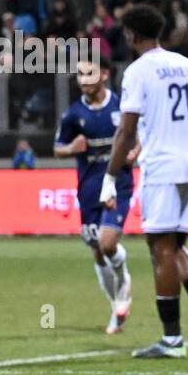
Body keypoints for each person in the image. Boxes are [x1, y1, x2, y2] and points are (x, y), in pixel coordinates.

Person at [100, 5, 188, 358]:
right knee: (177, 244)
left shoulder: (138, 72)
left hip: (164, 168)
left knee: (160, 248)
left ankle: (172, 340)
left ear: (133, 35)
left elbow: (126, 130)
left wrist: (110, 177)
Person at [53, 60, 137, 334]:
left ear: (104, 74)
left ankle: (124, 282)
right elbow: (57, 148)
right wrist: (71, 148)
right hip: (88, 188)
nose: (83, 79)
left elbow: (142, 136)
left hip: (118, 184)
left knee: (108, 242)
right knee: (98, 251)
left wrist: (136, 152)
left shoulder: (123, 107)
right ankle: (116, 307)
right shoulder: (73, 114)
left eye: (89, 73)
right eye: (79, 74)